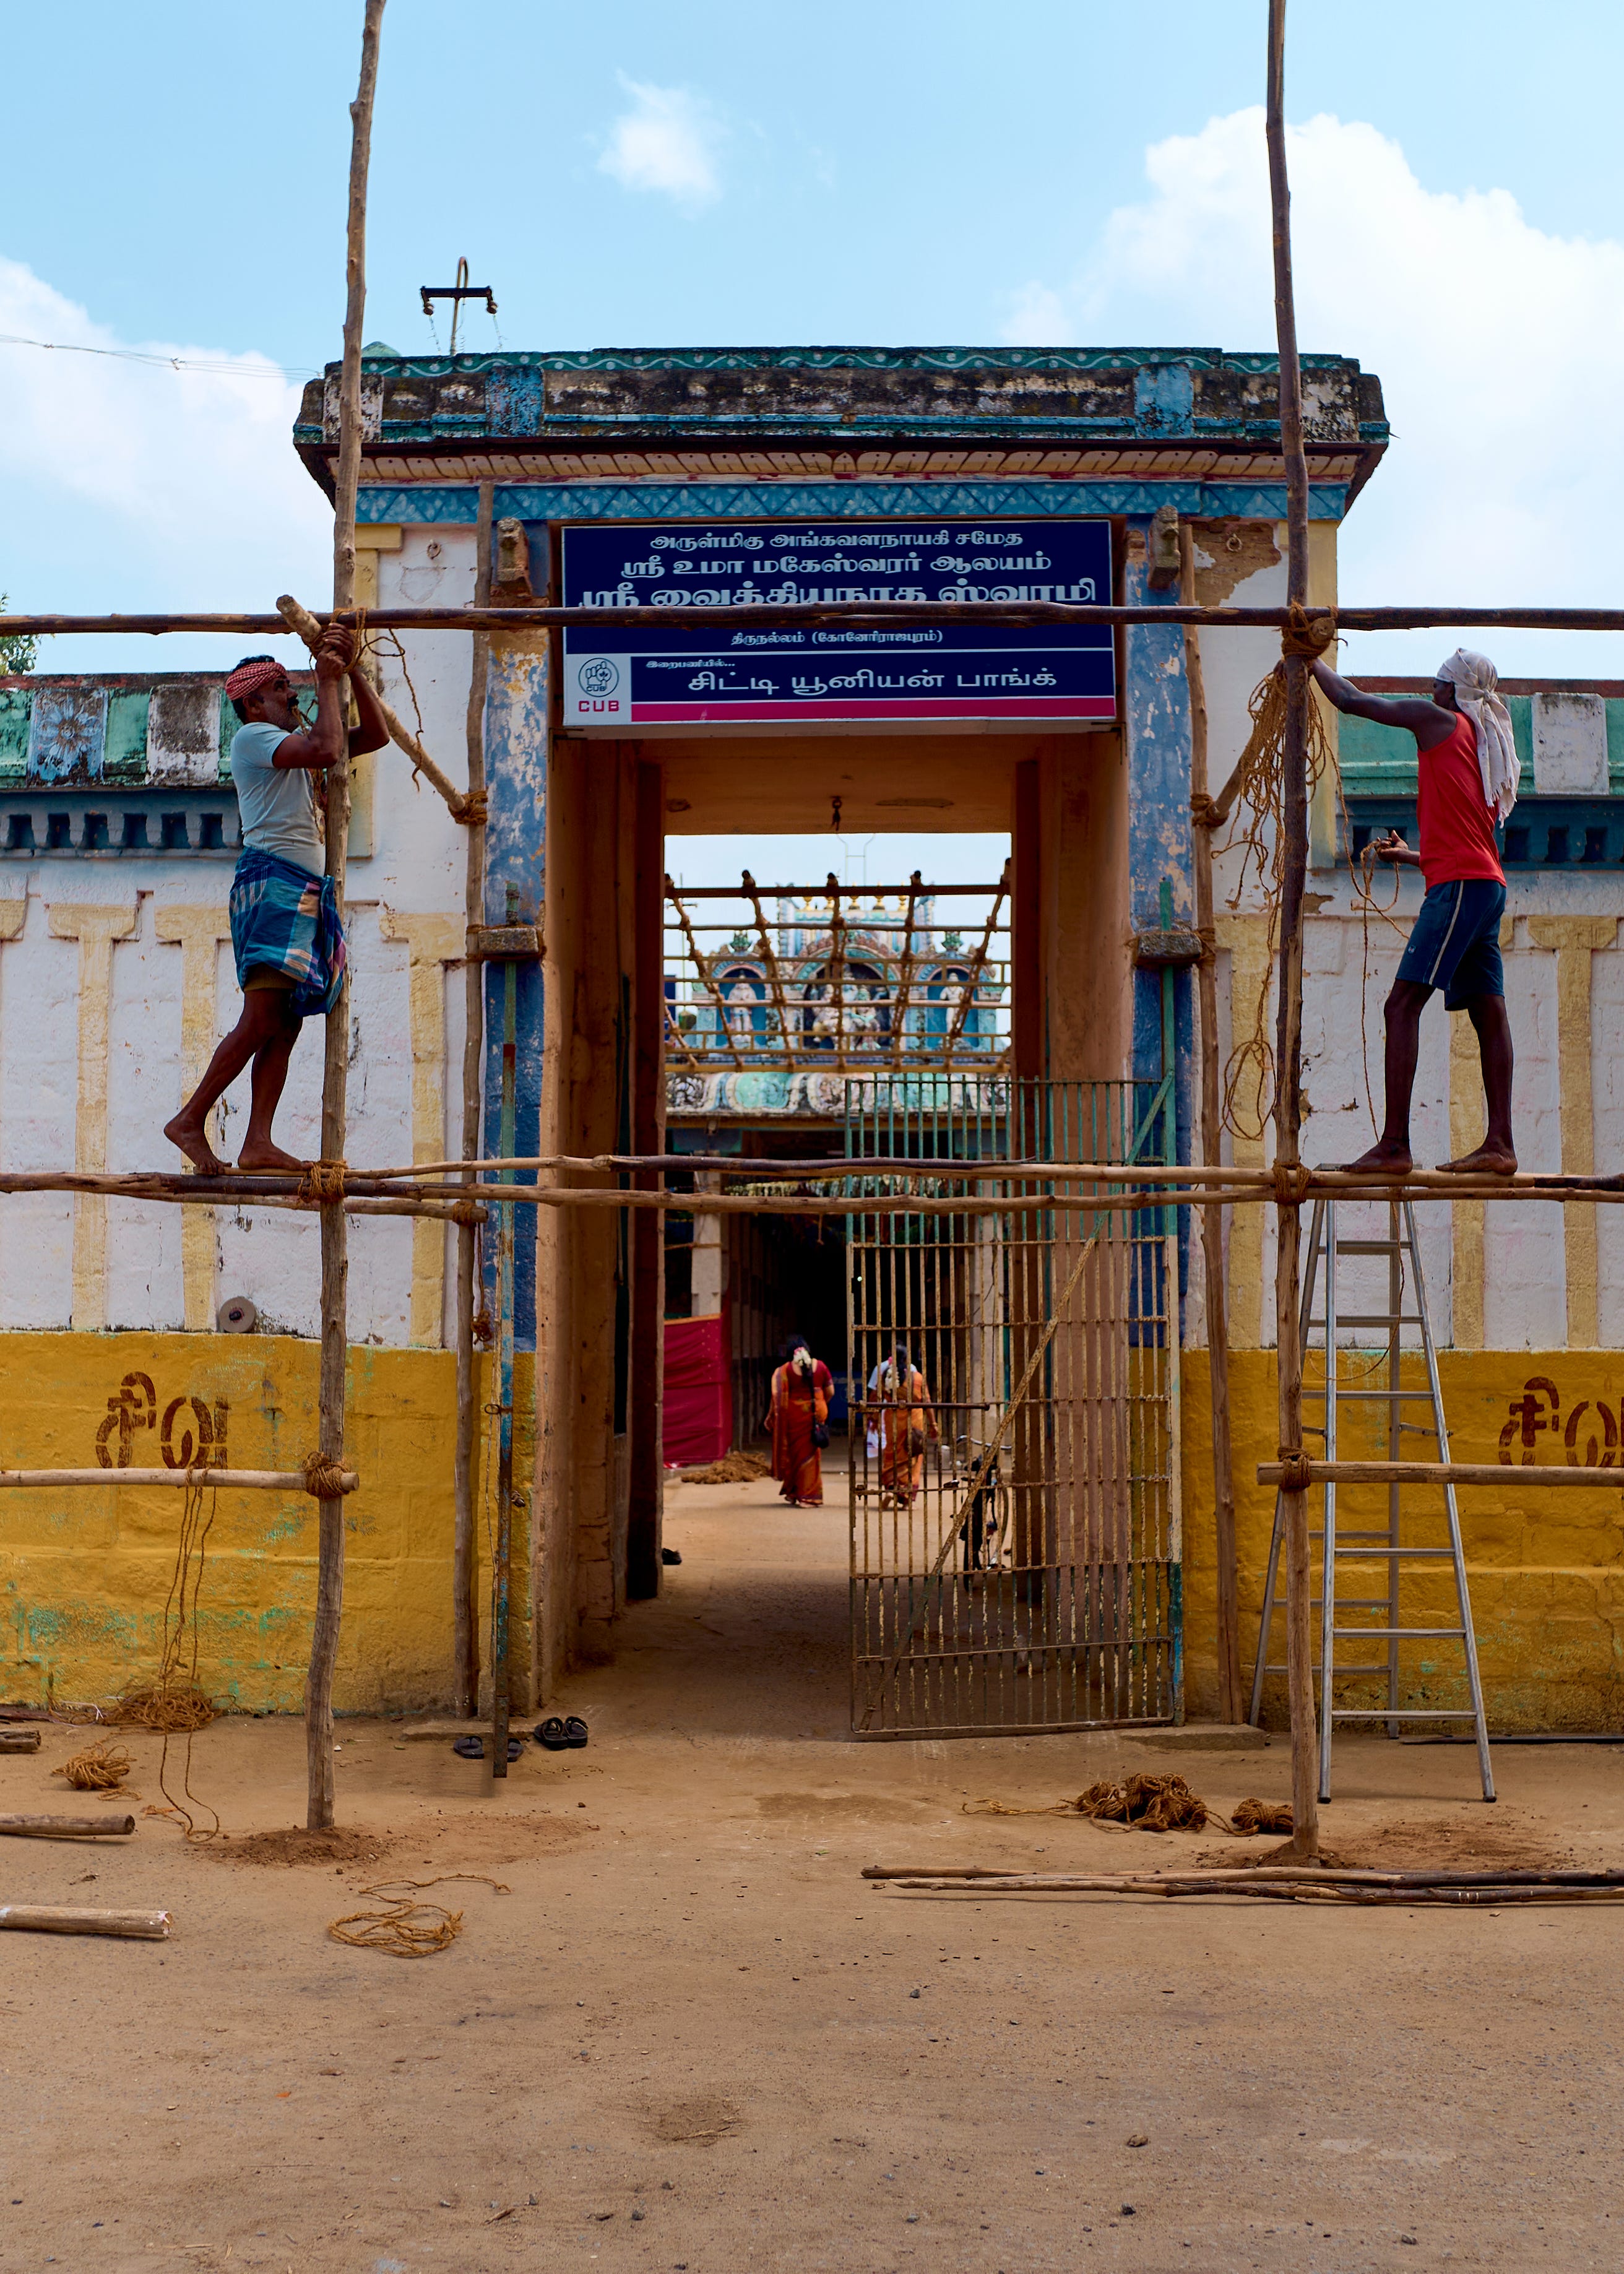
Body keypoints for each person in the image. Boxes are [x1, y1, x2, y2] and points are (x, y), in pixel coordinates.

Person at [163, 621, 389, 1174]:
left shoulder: (285, 741)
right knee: (263, 1017)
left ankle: (256, 1142)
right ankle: (190, 1120)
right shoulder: (254, 738)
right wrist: (329, 679)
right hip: (273, 886)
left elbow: (375, 736)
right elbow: (331, 746)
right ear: (256, 703)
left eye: (293, 685)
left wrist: (351, 669)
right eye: (284, 688)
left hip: (296, 889)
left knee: (285, 1021)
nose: (294, 695)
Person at [1310, 647, 1519, 1177]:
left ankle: (1396, 1144)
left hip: (1459, 889)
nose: (1431, 691)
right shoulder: (1484, 744)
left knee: (1401, 1006)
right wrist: (1410, 855)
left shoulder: (1438, 721)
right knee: (1487, 1011)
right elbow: (1470, 841)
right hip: (1485, 886)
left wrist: (1307, 658)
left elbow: (1351, 700)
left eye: (1437, 683)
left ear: (1454, 691)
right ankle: (1500, 1145)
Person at [766, 1335, 835, 1507]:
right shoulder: (821, 1366)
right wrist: (820, 1404)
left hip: (794, 1417)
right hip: (816, 1414)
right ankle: (807, 1494)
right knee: (811, 1457)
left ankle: (799, 1493)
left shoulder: (786, 1370)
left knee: (794, 1454)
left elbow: (777, 1397)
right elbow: (831, 1391)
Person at [871, 1344, 937, 1507]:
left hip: (892, 1420)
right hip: (913, 1421)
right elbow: (926, 1401)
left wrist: (873, 1419)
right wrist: (933, 1424)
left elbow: (877, 1398)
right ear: (907, 1360)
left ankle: (891, 1489)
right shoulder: (917, 1378)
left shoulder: (885, 1376)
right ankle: (906, 1498)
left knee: (892, 1454)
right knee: (912, 1457)